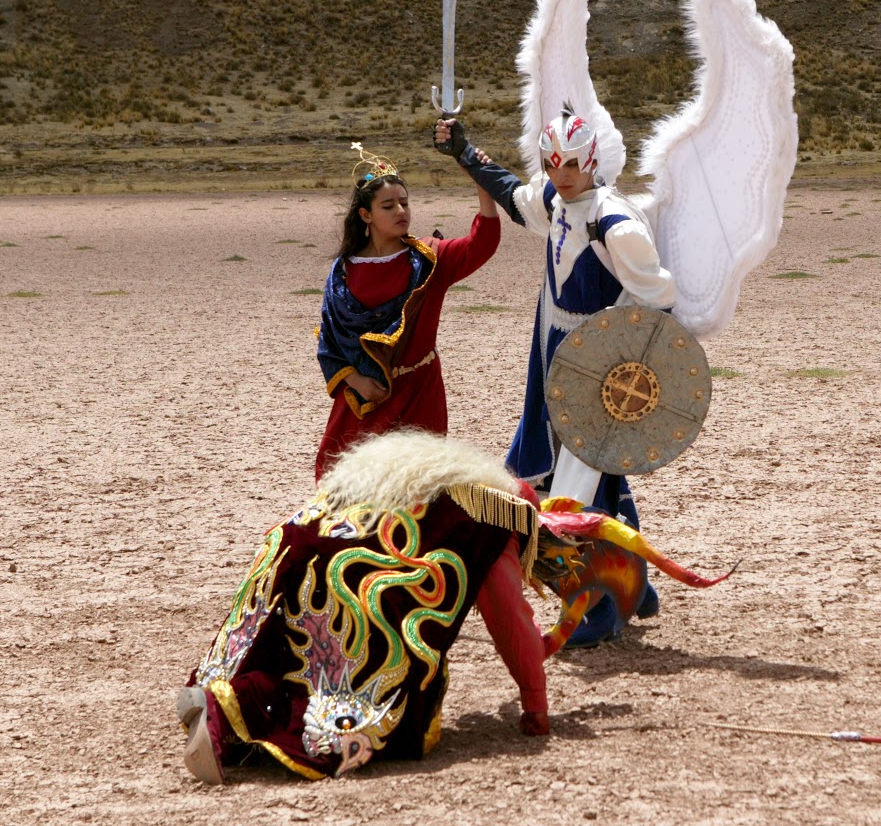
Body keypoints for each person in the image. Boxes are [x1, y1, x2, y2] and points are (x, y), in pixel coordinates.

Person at [177, 431, 551, 784]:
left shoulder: (421, 467)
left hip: (293, 541)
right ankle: (225, 717)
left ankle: (222, 694)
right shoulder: (501, 512)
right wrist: (535, 702)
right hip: (347, 571)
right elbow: (509, 619)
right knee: (346, 693)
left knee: (283, 653)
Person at [436, 111, 676, 647]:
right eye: (553, 163)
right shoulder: (554, 199)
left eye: (571, 163)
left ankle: (594, 607)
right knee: (591, 471)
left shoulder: (617, 224)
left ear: (591, 160)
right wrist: (465, 153)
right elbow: (515, 196)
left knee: (573, 484)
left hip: (598, 368)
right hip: (550, 353)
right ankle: (634, 584)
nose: (562, 173)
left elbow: (657, 296)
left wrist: (614, 361)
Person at [313, 128, 502, 478]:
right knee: (351, 486)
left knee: (421, 486)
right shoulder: (342, 273)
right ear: (366, 215)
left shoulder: (430, 260)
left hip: (420, 393)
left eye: (405, 203)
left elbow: (483, 243)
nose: (401, 211)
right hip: (368, 397)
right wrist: (355, 380)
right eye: (389, 205)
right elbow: (330, 341)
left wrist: (482, 181)